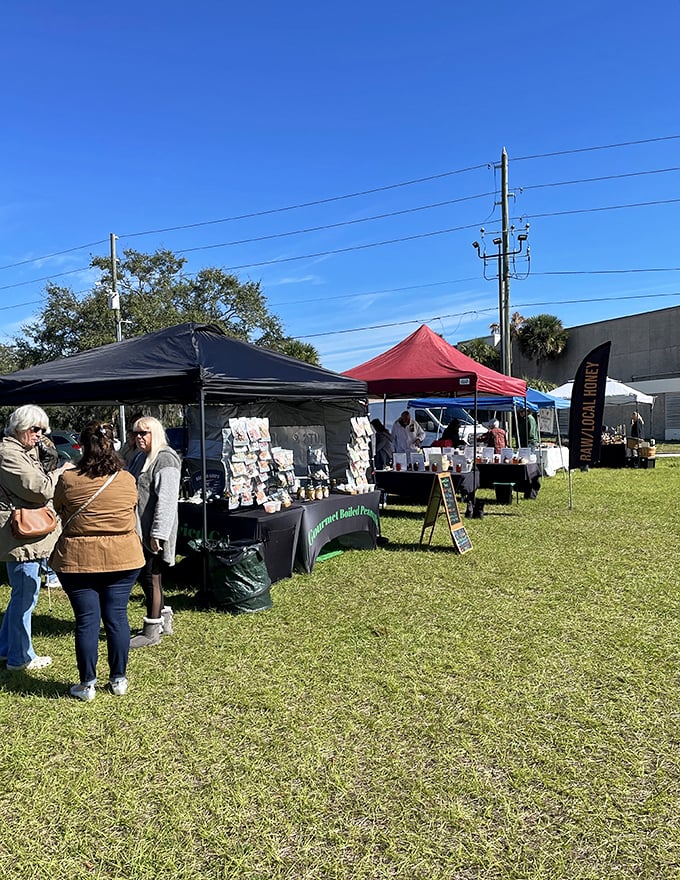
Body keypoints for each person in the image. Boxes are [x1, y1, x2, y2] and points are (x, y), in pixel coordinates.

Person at [51, 422, 144, 701]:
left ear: (81, 445)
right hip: (124, 556)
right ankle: (119, 679)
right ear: (112, 444)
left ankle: (87, 684)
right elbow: (131, 507)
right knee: (117, 617)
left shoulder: (68, 479)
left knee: (86, 620)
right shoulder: (126, 479)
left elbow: (58, 508)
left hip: (78, 559)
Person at [0, 405, 74, 671]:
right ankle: (21, 658)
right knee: (25, 596)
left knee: (22, 594)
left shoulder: (20, 450)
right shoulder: (8, 453)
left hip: (23, 534)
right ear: (20, 426)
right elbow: (39, 490)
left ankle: (7, 649)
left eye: (43, 430)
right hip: (20, 536)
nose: (40, 435)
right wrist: (61, 471)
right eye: (35, 429)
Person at [127, 416, 181, 648]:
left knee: (152, 577)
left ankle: (152, 632)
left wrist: (158, 533)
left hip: (155, 533)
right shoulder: (140, 457)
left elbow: (167, 501)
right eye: (136, 433)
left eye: (144, 433)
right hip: (141, 531)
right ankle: (163, 618)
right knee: (147, 576)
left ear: (155, 434)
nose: (138, 437)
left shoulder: (165, 459)